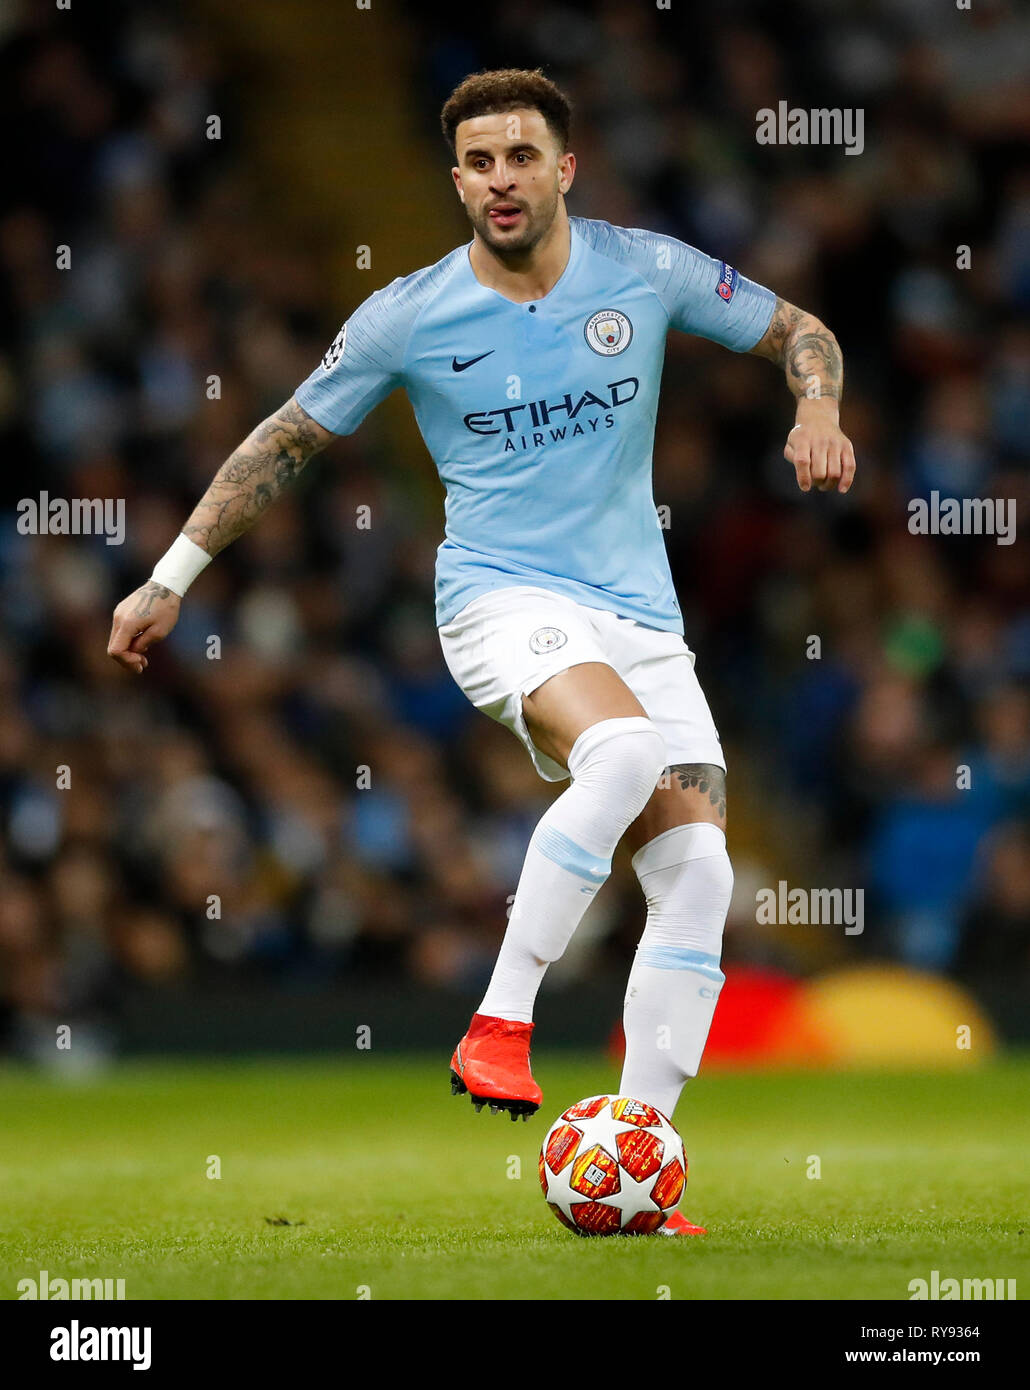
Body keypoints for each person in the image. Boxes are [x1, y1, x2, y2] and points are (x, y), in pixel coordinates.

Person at [108, 68, 855, 1234]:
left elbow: (800, 331)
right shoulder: (408, 313)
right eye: (477, 161)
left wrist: (815, 408)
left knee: (698, 872)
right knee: (615, 754)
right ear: (456, 180)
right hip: (501, 602)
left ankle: (640, 1165)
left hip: (639, 615)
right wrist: (169, 577)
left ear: (565, 168)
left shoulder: (646, 271)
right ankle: (500, 1021)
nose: (499, 179)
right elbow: (284, 440)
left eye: (520, 156)